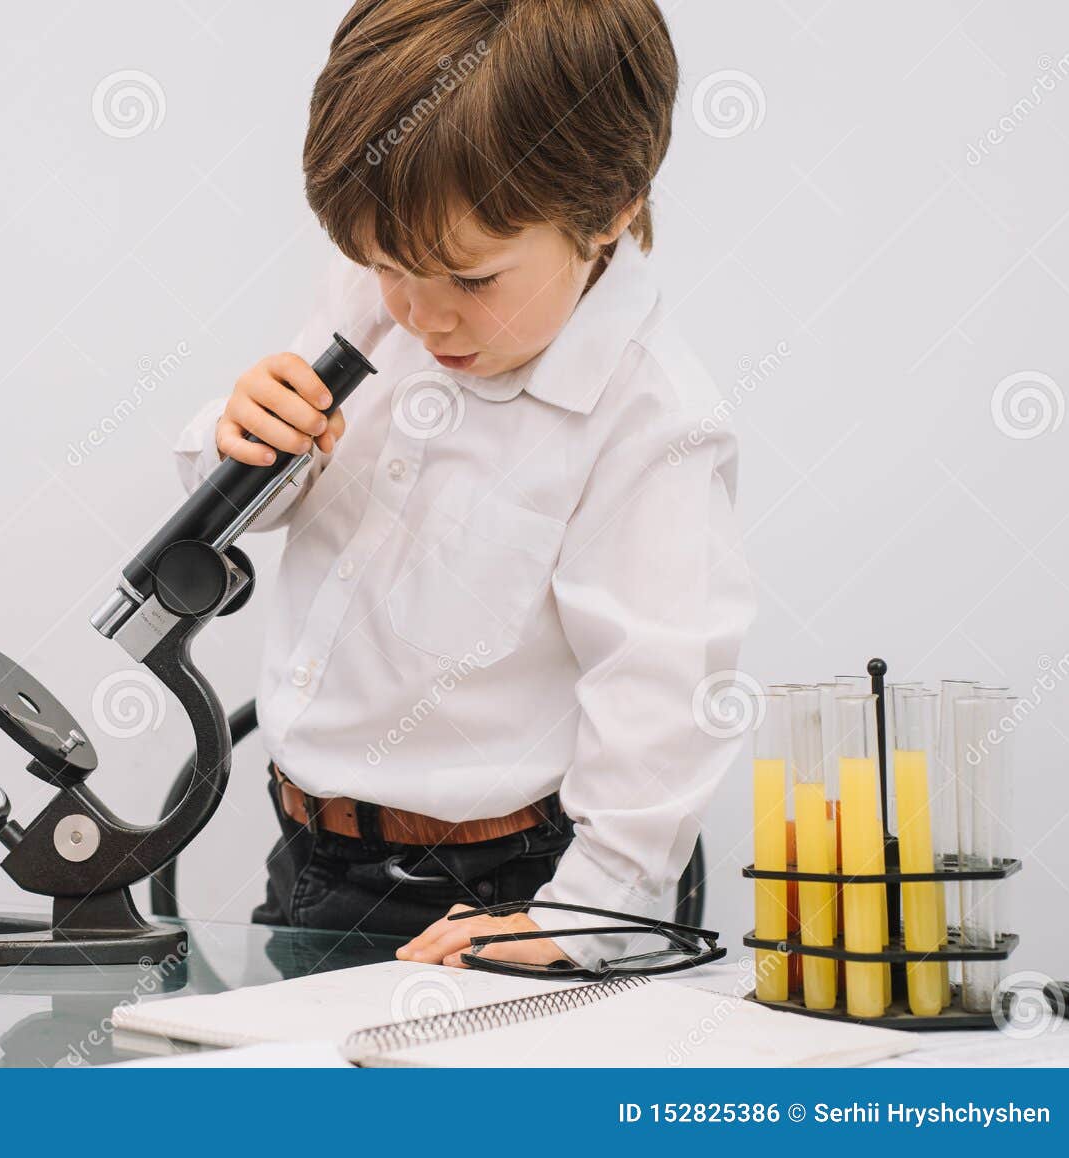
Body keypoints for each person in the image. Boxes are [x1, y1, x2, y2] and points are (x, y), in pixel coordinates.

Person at [173, 0, 754, 972]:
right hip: (310, 853)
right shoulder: (387, 295)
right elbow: (269, 499)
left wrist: (582, 918)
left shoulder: (649, 420)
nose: (421, 316)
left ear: (610, 207)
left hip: (496, 888)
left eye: (472, 281)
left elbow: (662, 697)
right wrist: (239, 441)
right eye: (386, 266)